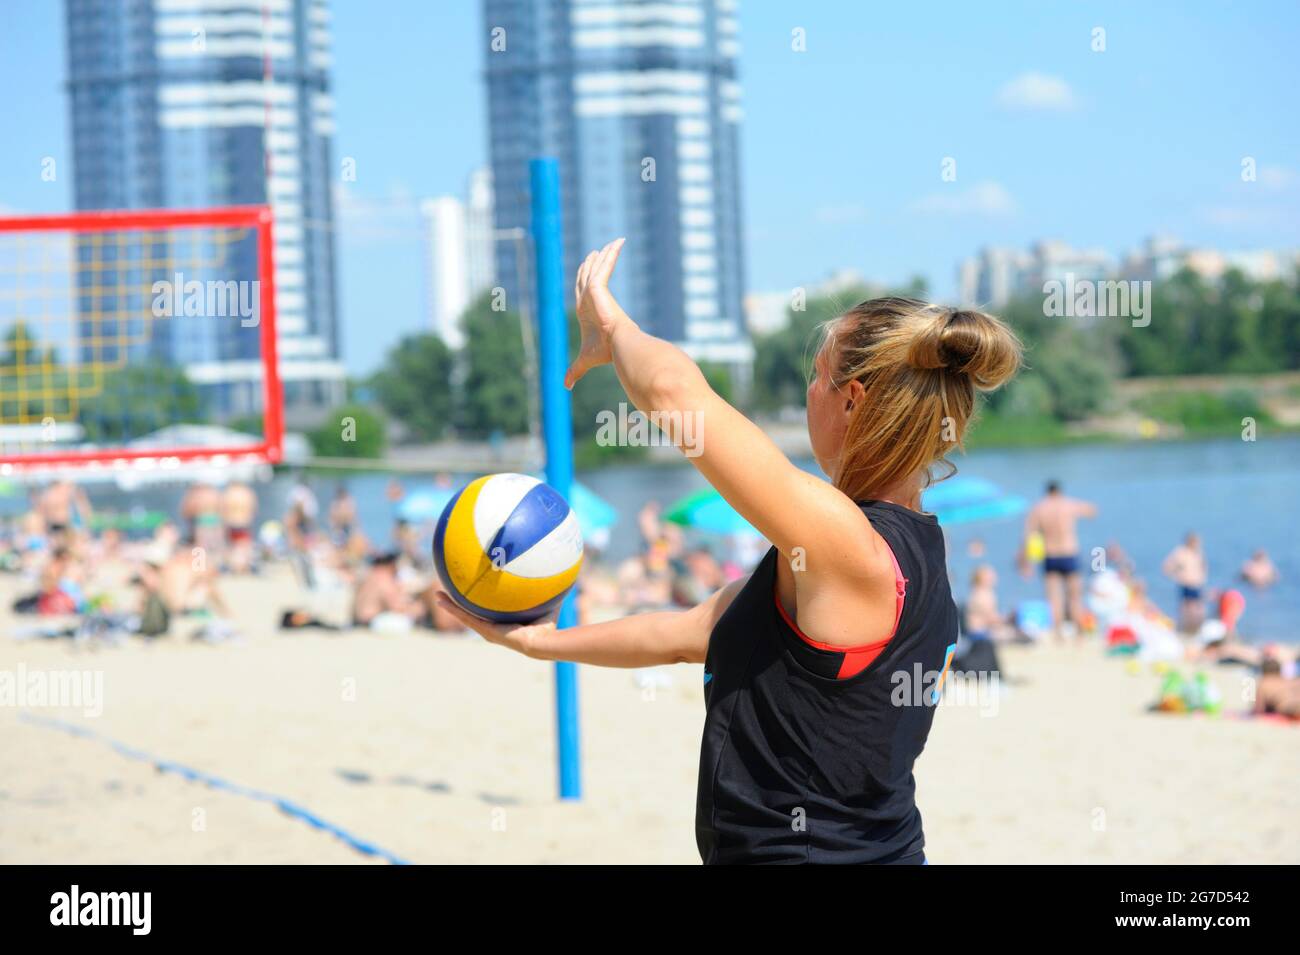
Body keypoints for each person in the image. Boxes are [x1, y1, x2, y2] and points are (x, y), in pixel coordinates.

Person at [435, 239, 1021, 864]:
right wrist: (537, 642)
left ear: (851, 399)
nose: (809, 396)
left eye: (816, 379)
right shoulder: (900, 549)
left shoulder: (846, 543)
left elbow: (674, 399)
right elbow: (687, 634)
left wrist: (614, 328)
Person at [1022, 480, 1097, 641]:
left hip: (1050, 555)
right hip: (1069, 553)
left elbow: (1029, 534)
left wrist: (1027, 561)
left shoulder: (1039, 508)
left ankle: (1058, 633)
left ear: (1047, 492)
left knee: (1054, 598)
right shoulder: (1068, 504)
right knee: (1075, 596)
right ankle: (1079, 634)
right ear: (1059, 491)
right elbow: (1092, 511)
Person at [1162, 532, 1208, 634]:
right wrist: (1176, 574)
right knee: (1187, 609)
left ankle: (1197, 630)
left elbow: (1203, 566)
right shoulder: (1181, 552)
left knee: (1199, 609)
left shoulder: (1198, 552)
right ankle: (1185, 630)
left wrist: (1203, 577)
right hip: (1186, 584)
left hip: (1197, 584)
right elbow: (1167, 566)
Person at [220, 480, 258, 573]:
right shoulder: (247, 493)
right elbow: (253, 508)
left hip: (231, 522)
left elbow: (222, 509)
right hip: (244, 522)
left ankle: (234, 567)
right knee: (244, 547)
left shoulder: (228, 493)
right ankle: (243, 567)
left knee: (232, 547)